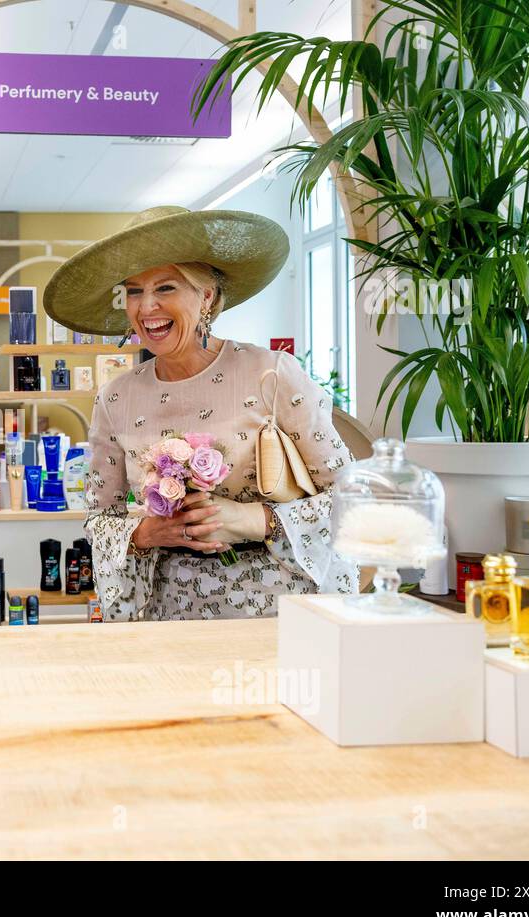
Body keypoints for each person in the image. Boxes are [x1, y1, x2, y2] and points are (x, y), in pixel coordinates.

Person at [43, 206, 358, 621]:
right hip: (169, 616)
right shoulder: (116, 398)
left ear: (206, 295)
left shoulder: (271, 374)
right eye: (134, 291)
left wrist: (253, 519)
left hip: (275, 612)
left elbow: (354, 498)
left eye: (166, 287)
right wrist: (146, 532)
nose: (146, 306)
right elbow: (101, 517)